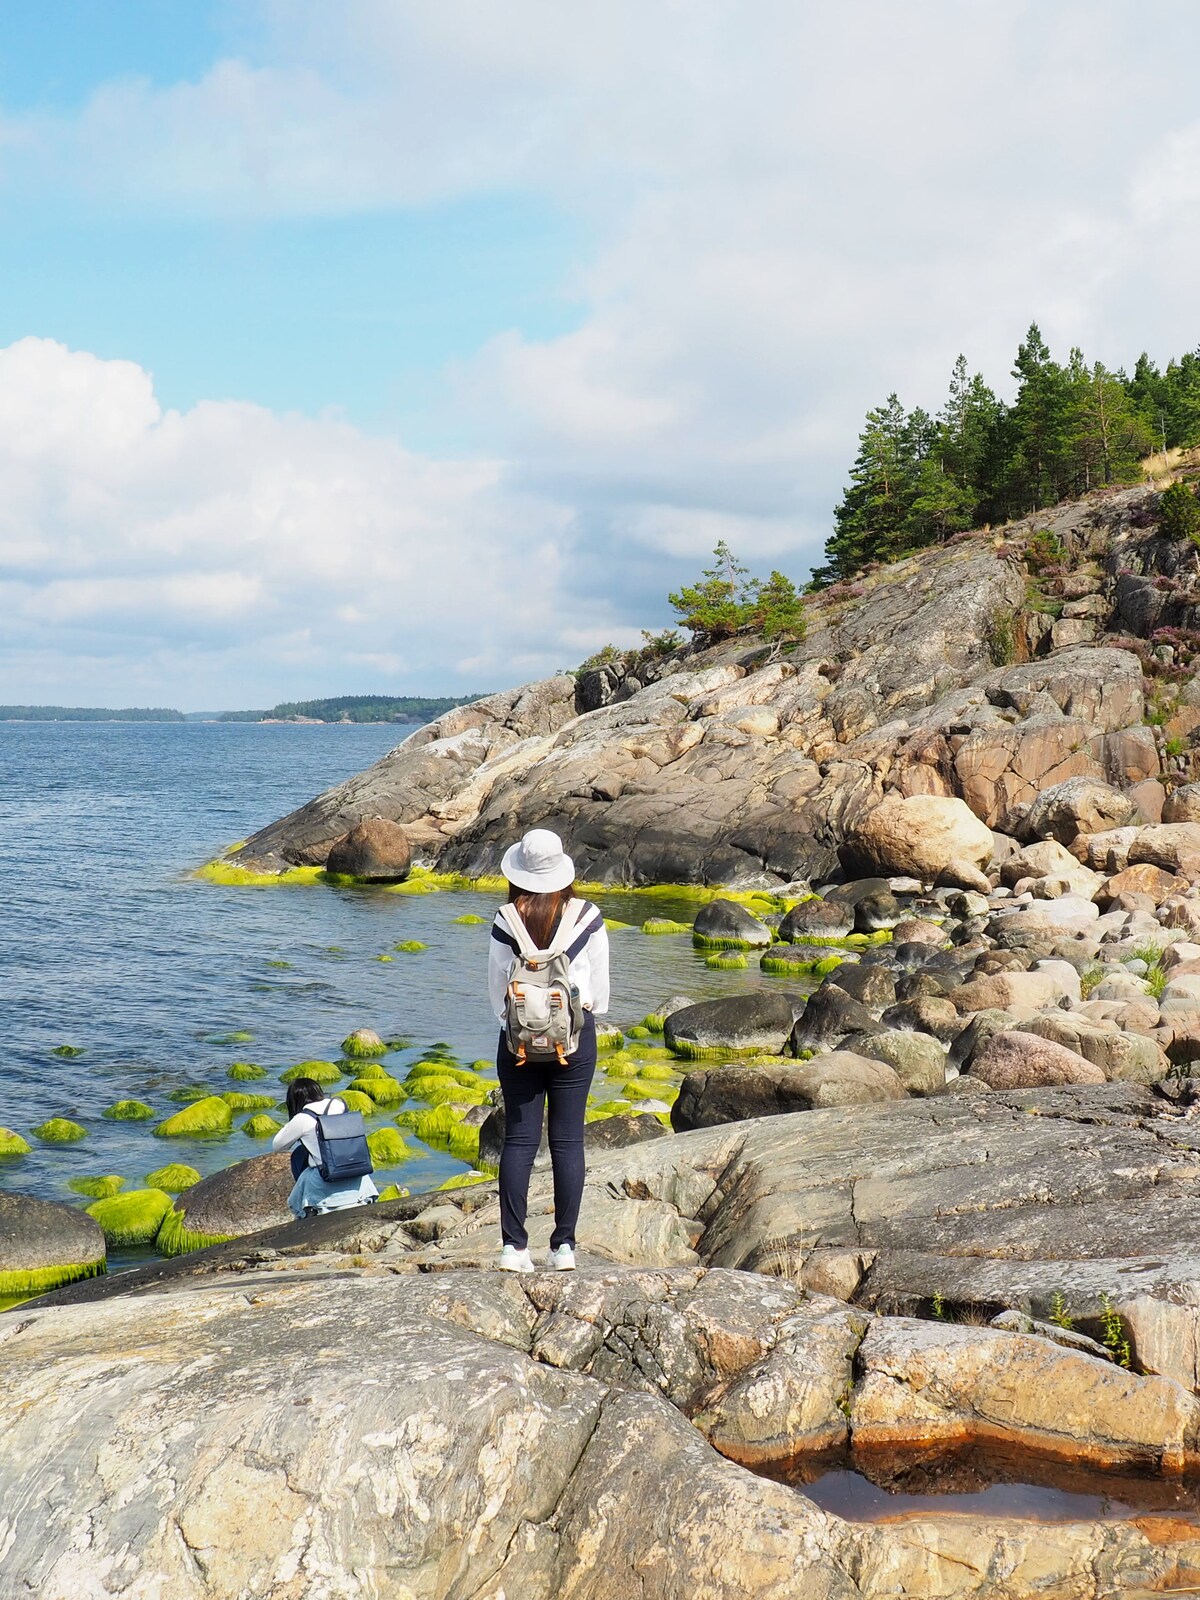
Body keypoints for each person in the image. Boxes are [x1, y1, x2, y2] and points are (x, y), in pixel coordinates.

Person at [488, 827, 609, 1273]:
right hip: (573, 1039)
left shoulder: (506, 919)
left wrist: (518, 1025)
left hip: (518, 1041)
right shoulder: (588, 916)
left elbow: (496, 990)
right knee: (567, 1141)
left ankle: (513, 1248)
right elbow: (600, 991)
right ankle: (564, 1248)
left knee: (519, 1141)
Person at [272, 1077, 379, 1218]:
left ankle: (310, 1205)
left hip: (326, 1177)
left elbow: (278, 1146)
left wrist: (291, 1123)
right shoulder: (340, 1104)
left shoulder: (302, 1118)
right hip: (357, 1169)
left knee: (298, 1154)